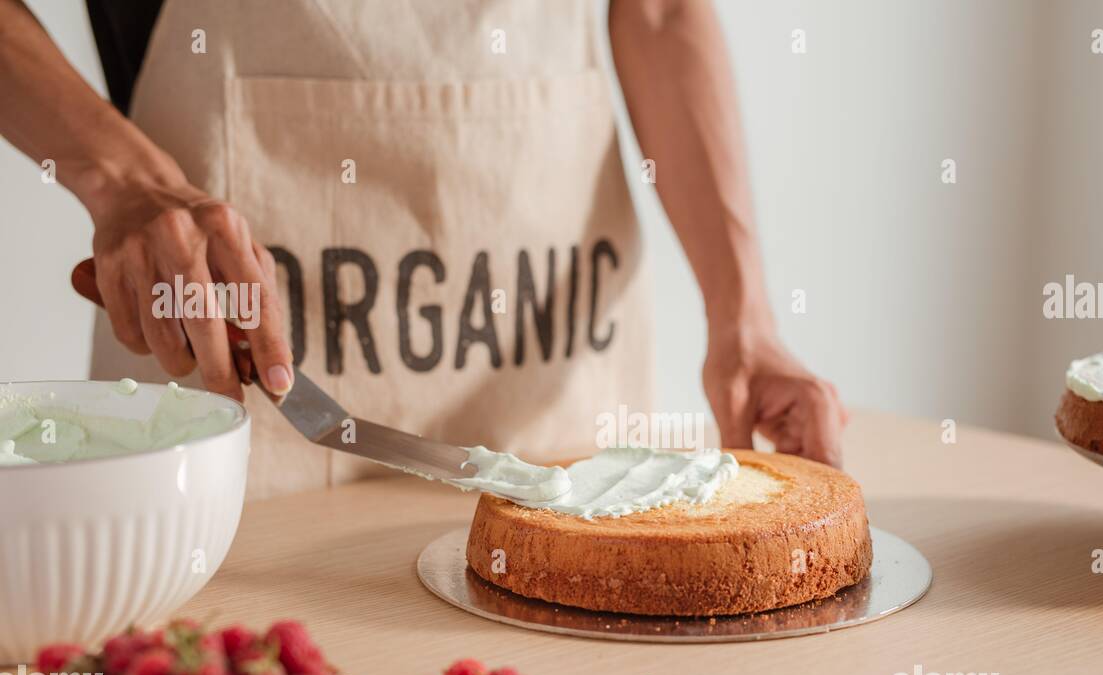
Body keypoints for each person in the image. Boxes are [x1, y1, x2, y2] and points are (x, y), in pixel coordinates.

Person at [0, 0, 847, 498]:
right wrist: (121, 176)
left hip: (567, 451)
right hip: (239, 504)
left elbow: (658, 11)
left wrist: (744, 316)